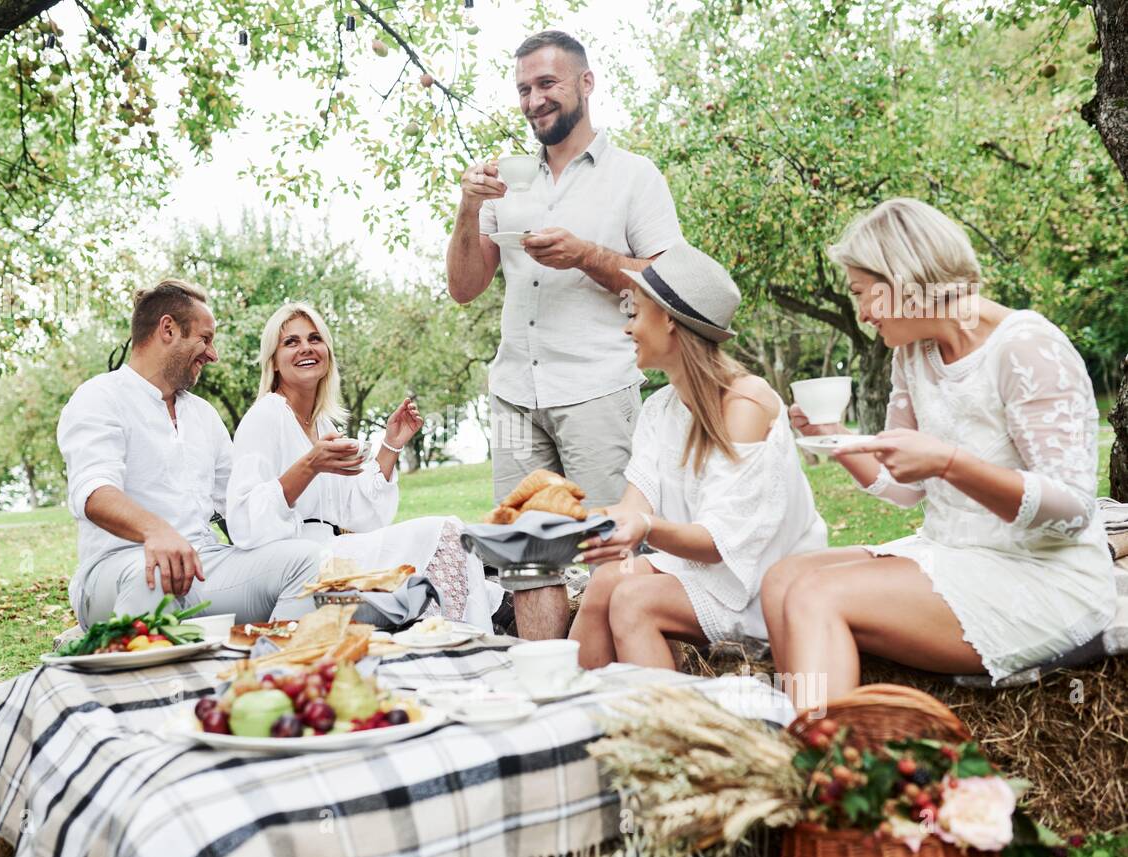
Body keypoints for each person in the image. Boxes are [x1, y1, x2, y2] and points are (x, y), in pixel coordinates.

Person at [761, 198, 1116, 713]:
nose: (860, 313)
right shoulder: (914, 352)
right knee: (782, 579)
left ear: (904, 276)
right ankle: (807, 724)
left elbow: (1073, 511)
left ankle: (826, 768)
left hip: (1041, 574)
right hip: (952, 550)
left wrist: (949, 462)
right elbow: (905, 487)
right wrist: (834, 435)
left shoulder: (1026, 347)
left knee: (816, 596)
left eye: (863, 293)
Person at [446, 29, 683, 639]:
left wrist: (587, 256)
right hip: (513, 393)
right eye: (523, 89)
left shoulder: (634, 177)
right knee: (526, 559)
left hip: (597, 388)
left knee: (616, 549)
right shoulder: (508, 181)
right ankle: (543, 683)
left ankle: (636, 700)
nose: (533, 100)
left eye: (546, 84)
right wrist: (468, 208)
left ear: (585, 83)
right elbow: (466, 286)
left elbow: (671, 281)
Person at [568, 242, 827, 670]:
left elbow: (715, 545)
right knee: (606, 581)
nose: (627, 329)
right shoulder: (660, 408)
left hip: (763, 584)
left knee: (633, 598)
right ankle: (573, 712)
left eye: (634, 314)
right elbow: (636, 505)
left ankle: (668, 731)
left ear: (669, 320)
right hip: (702, 575)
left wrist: (644, 527)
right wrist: (580, 525)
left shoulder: (746, 404)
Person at [57, 279, 322, 628]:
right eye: (206, 339)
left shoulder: (203, 414)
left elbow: (235, 507)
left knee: (309, 560)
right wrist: (156, 532)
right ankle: (143, 676)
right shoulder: (99, 397)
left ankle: (269, 670)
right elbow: (93, 492)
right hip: (117, 569)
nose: (212, 354)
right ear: (168, 329)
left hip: (203, 565)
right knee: (152, 576)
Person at [225, 302, 500, 631]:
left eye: (315, 338)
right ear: (273, 360)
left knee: (450, 535)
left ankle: (461, 629)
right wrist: (310, 465)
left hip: (335, 548)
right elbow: (244, 520)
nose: (306, 348)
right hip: (294, 561)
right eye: (291, 342)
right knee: (444, 532)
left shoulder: (323, 424)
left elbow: (361, 514)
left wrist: (391, 444)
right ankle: (460, 631)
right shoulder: (266, 415)